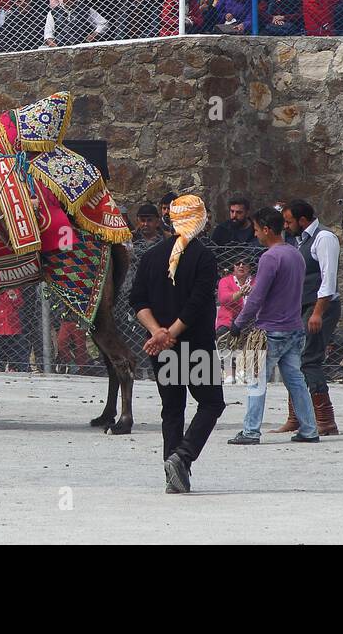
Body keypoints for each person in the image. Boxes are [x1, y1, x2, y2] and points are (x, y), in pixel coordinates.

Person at [128, 194, 224, 494]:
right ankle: (182, 457)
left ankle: (173, 474)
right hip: (195, 344)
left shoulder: (152, 256)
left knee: (172, 408)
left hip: (161, 347)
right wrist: (172, 332)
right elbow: (197, 304)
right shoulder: (204, 257)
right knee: (211, 402)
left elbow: (137, 300)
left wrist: (158, 332)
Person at [226, 206, 321, 444]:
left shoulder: (269, 258)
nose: (255, 234)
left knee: (257, 380)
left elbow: (257, 297)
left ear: (267, 230)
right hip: (294, 328)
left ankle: (251, 431)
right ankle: (310, 428)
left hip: (270, 330)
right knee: (296, 381)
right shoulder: (296, 254)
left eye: (257, 229)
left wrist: (238, 323)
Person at [280, 198, 341, 436]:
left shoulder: (324, 238)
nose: (285, 226)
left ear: (302, 220)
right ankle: (296, 416)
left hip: (319, 308)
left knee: (309, 359)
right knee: (292, 359)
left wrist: (317, 312)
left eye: (288, 221)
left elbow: (328, 279)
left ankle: (325, 419)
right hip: (301, 307)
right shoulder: (298, 241)